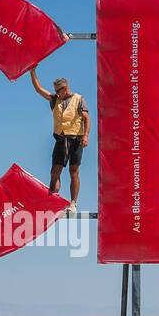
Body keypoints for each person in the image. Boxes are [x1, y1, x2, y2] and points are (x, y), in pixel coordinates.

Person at [29, 71, 90, 215]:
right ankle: (53, 202)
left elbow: (87, 118)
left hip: (76, 139)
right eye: (55, 90)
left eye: (59, 90)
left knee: (73, 172)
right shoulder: (54, 100)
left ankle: (73, 204)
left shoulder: (79, 99)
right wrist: (33, 72)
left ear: (66, 88)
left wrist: (86, 135)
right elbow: (38, 89)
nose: (56, 93)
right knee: (55, 172)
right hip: (61, 140)